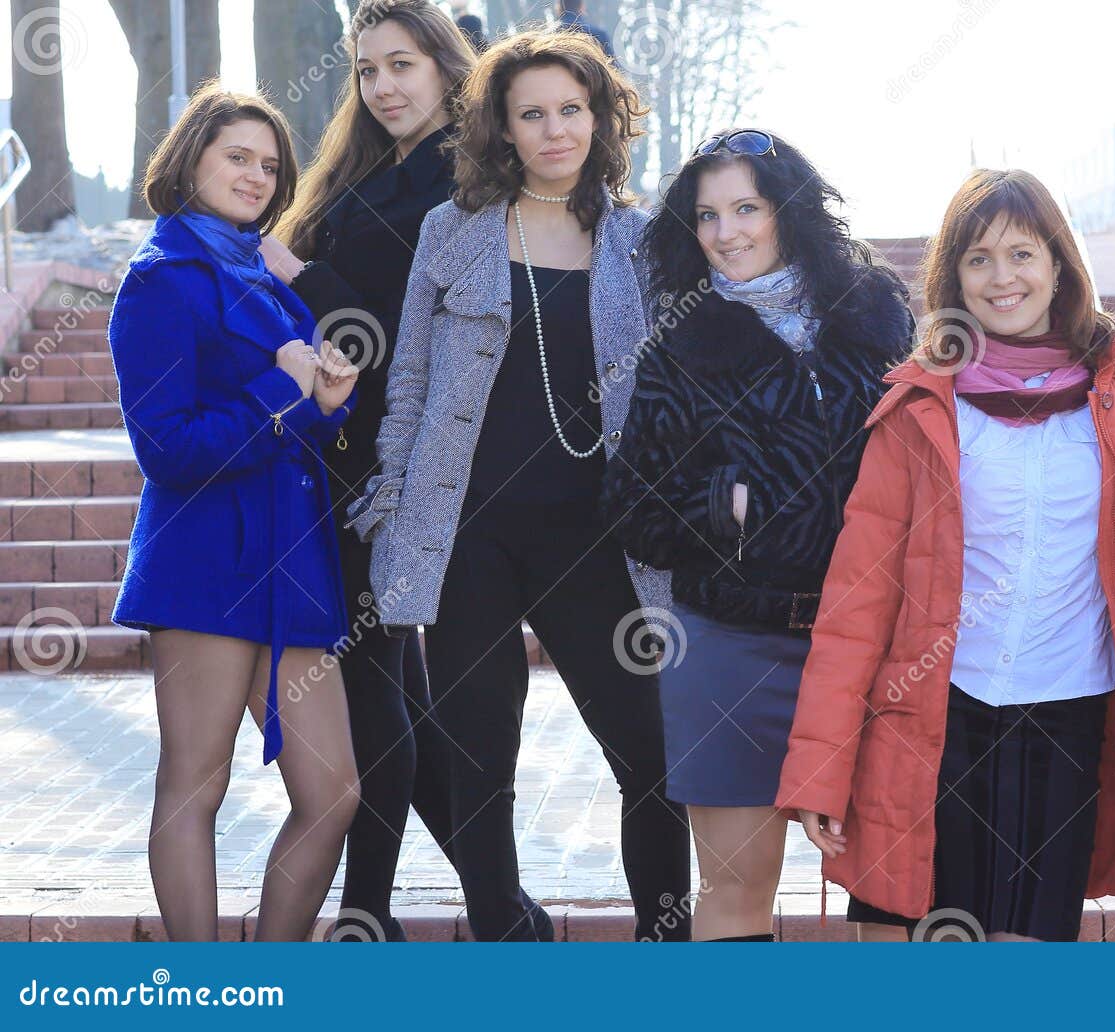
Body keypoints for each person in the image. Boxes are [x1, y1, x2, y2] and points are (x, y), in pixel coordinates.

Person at [776, 169, 1115, 942]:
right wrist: (821, 768)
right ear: (954, 279)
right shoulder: (918, 411)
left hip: (1068, 720)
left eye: (1022, 253)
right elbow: (856, 604)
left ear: (1059, 264)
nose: (1003, 278)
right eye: (979, 259)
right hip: (934, 718)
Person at [346, 29, 689, 942]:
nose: (554, 129)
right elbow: (410, 381)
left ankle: (668, 948)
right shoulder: (451, 232)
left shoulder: (645, 242)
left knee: (649, 756)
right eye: (531, 112)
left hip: (597, 536)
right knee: (477, 759)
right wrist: (390, 505)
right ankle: (504, 942)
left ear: (600, 116)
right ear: (501, 126)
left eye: (570, 109)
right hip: (467, 535)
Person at [601, 129, 914, 941]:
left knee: (892, 888)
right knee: (738, 889)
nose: (727, 231)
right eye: (706, 216)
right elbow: (631, 506)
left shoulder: (875, 321)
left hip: (874, 645)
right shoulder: (682, 345)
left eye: (747, 207)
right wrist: (721, 509)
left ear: (789, 211)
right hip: (731, 646)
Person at [109, 84, 360, 941]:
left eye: (269, 164)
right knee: (195, 781)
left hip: (292, 560)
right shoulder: (159, 283)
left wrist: (325, 399)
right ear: (191, 160)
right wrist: (282, 392)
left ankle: (270, 979)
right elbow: (167, 451)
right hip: (203, 560)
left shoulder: (264, 278)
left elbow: (291, 415)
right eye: (237, 157)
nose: (257, 176)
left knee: (333, 794)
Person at [264, 0, 481, 943]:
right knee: (393, 687)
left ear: (444, 65)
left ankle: (368, 910)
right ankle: (500, 902)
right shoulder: (365, 169)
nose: (384, 85)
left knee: (373, 674)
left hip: (399, 455)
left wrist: (299, 276)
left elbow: (407, 330)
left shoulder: (461, 178)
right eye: (366, 69)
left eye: (403, 64)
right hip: (339, 448)